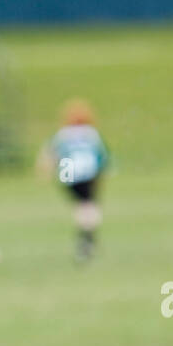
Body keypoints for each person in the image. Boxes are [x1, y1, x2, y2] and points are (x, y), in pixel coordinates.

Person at [37, 99, 109, 262]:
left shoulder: (63, 134)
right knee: (89, 206)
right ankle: (87, 239)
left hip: (68, 171)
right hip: (86, 171)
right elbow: (101, 156)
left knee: (82, 206)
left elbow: (50, 152)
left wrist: (46, 171)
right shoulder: (91, 133)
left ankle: (86, 238)